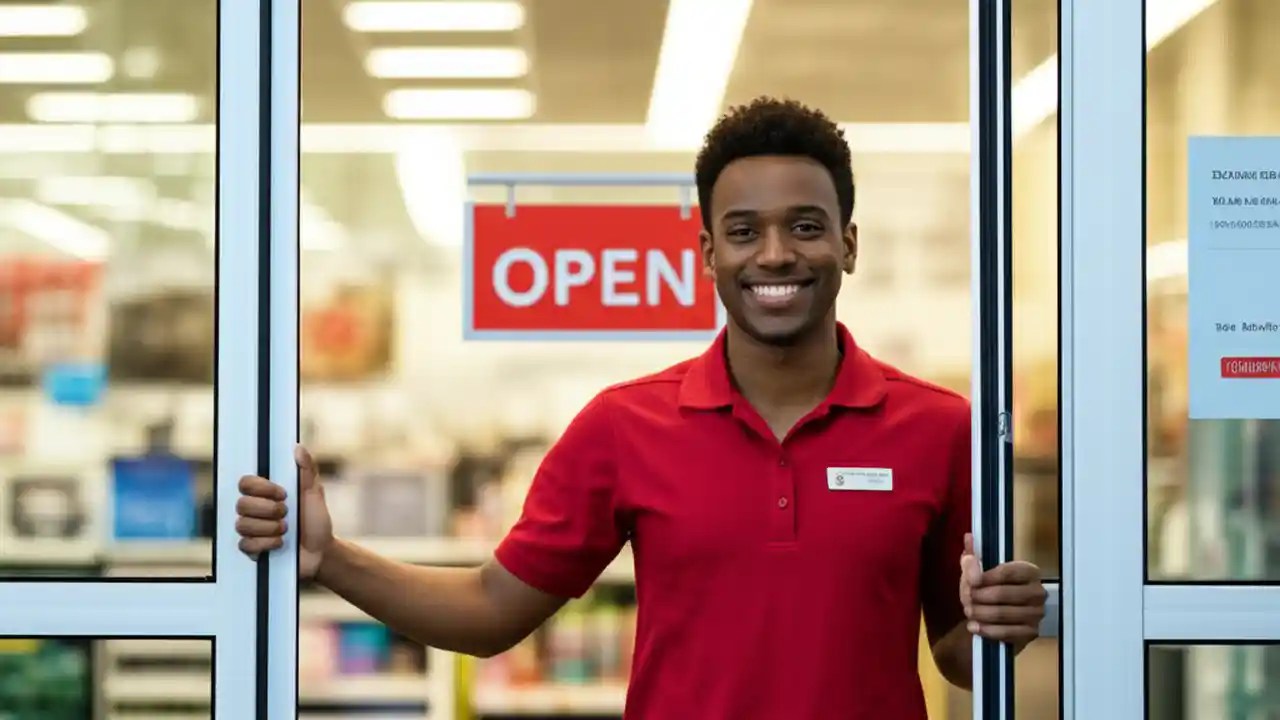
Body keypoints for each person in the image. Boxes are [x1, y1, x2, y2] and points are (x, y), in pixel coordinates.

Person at [236, 96, 1047, 719]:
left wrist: (999, 628)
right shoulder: (625, 428)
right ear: (707, 253)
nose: (775, 254)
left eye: (805, 226)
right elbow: (490, 610)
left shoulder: (940, 429)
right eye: (743, 230)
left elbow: (955, 652)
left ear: (849, 244)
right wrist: (330, 559)